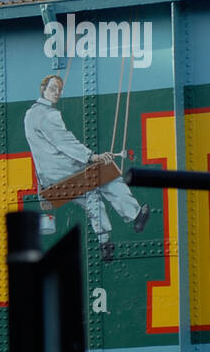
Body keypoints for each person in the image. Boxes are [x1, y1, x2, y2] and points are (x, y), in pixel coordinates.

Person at [24, 74, 150, 261]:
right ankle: (136, 215)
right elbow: (64, 142)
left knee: (92, 198)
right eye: (53, 88)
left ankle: (105, 243)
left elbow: (38, 154)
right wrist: (93, 156)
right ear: (43, 89)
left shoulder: (29, 115)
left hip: (51, 180)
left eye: (59, 89)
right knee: (109, 175)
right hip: (67, 173)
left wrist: (41, 188)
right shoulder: (49, 115)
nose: (57, 92)